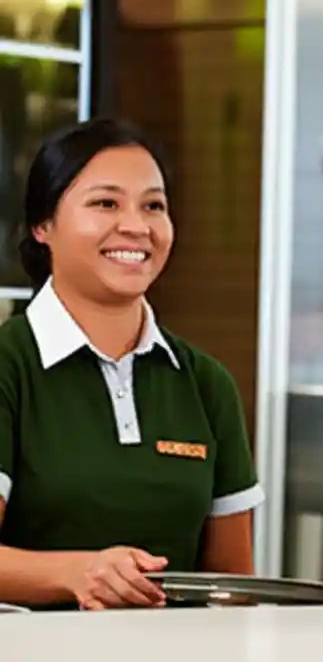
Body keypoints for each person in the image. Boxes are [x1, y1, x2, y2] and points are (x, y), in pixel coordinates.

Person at [0, 119, 264, 611]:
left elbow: (232, 588)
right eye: (105, 203)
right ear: (43, 226)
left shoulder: (206, 383)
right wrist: (77, 573)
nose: (136, 226)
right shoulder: (9, 367)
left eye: (153, 206)